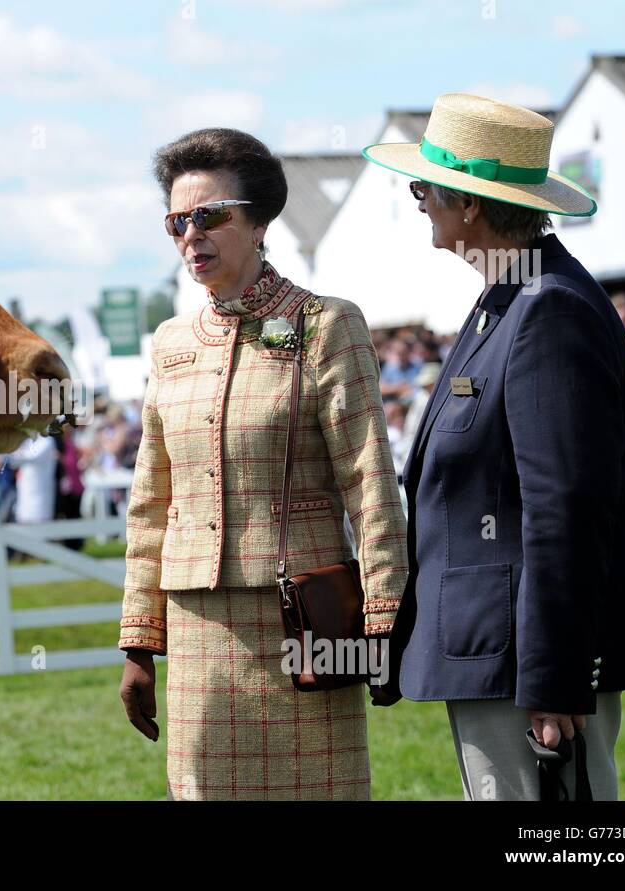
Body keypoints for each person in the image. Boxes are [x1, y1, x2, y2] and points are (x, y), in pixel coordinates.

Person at [364, 92, 625, 800]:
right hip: (500, 654)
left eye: (424, 188)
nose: (418, 202)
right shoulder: (511, 298)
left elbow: (564, 509)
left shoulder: (547, 308)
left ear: (470, 204)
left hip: (526, 666)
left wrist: (554, 676)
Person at [118, 127, 408, 800]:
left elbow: (369, 481)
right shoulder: (168, 344)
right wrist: (138, 640)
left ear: (259, 220)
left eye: (210, 215)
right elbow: (148, 502)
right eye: (176, 222)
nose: (191, 234)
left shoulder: (326, 325)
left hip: (305, 621)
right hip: (196, 633)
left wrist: (385, 613)